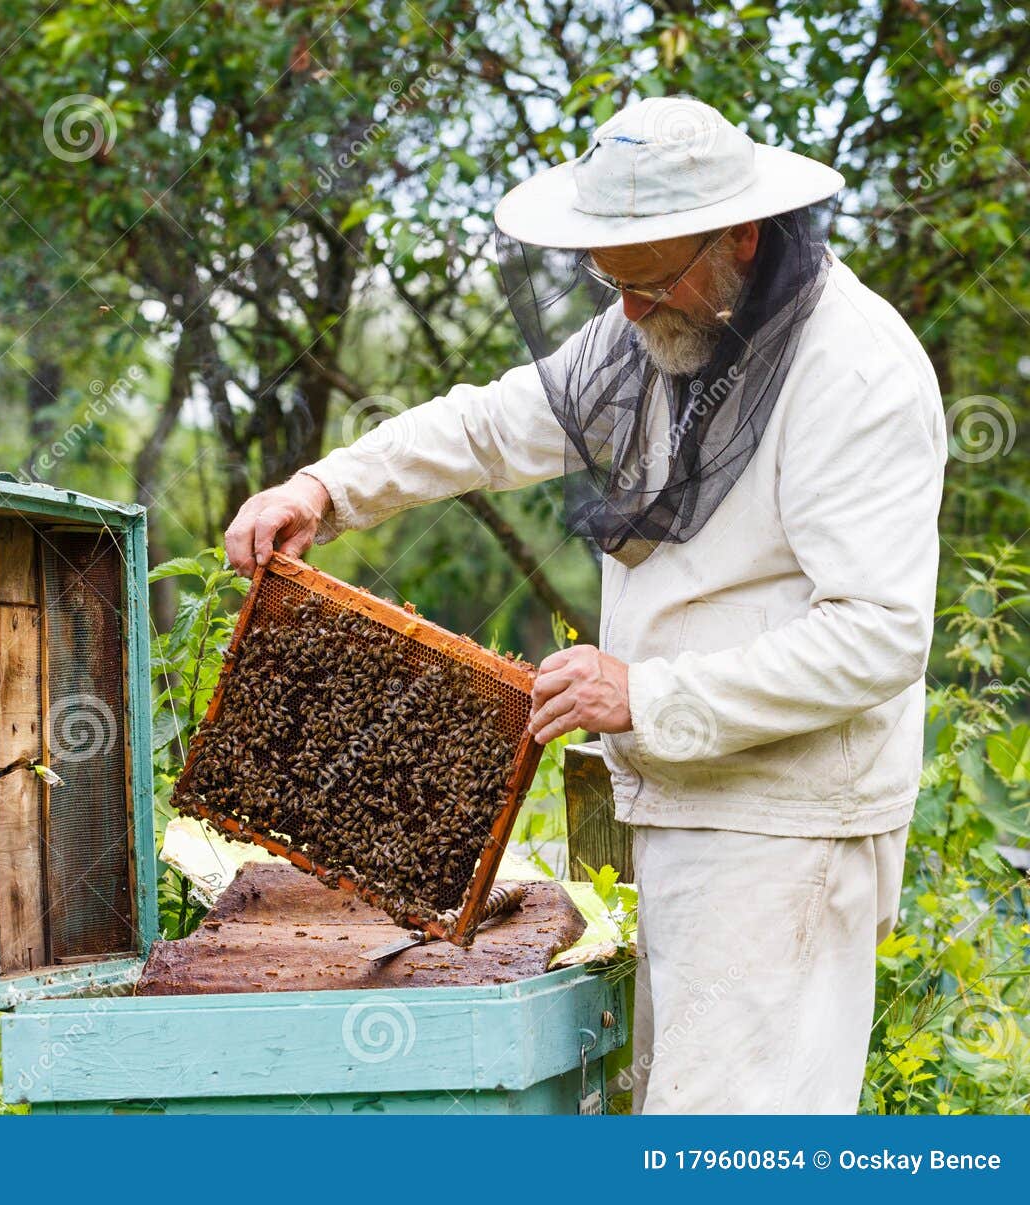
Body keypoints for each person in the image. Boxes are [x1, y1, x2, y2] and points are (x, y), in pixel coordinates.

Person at [223, 96, 947, 1114]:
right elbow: (492, 424)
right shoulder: (660, 324)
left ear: (740, 233)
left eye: (649, 280)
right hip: (695, 811)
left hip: (786, 828)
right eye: (612, 281)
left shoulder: (853, 371)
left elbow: (877, 636)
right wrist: (326, 489)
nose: (630, 311)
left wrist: (645, 693)